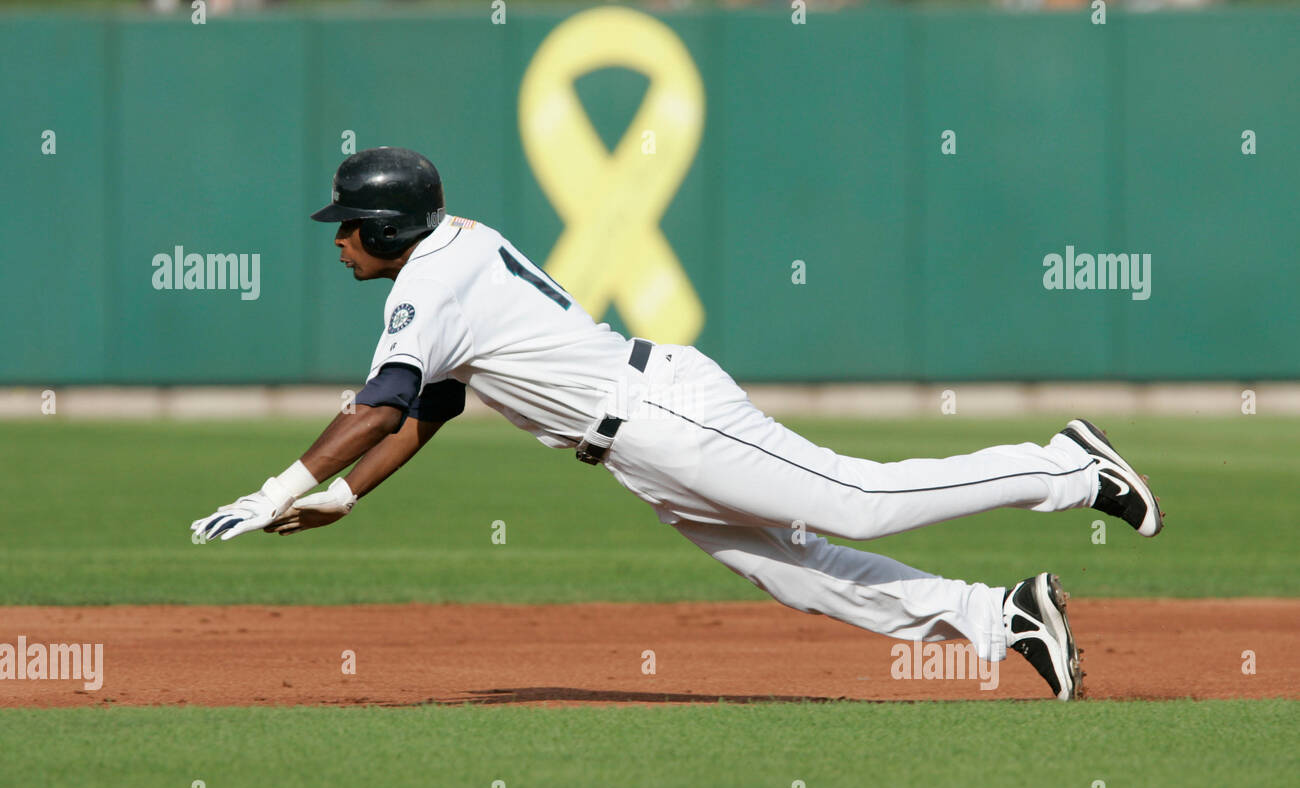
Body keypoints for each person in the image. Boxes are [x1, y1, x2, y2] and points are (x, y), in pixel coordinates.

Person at [190, 147, 1164, 701]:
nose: (340, 239)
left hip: (665, 416)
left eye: (348, 225)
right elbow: (431, 406)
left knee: (859, 504)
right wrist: (345, 499)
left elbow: (380, 405)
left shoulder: (431, 281)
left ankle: (1067, 468)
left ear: (390, 230)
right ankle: (1003, 618)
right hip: (637, 447)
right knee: (796, 572)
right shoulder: (449, 255)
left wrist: (277, 489)